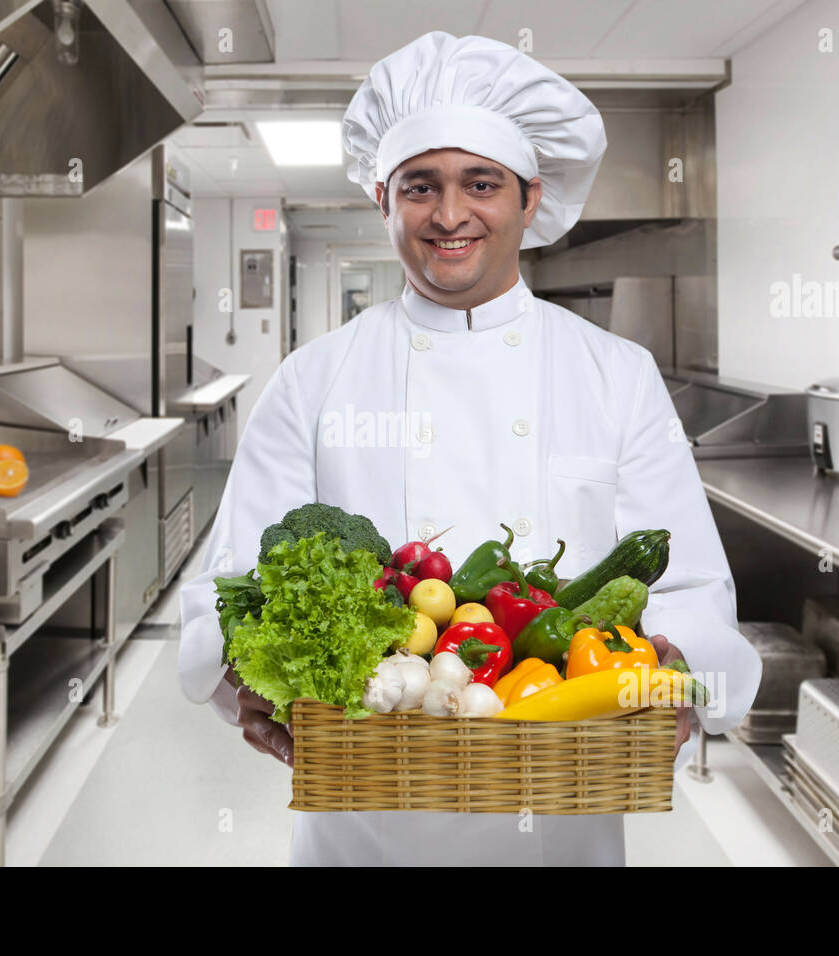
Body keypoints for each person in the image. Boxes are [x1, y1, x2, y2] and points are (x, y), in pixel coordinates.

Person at [179, 31, 761, 866]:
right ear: (383, 198)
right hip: (363, 828)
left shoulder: (616, 375)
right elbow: (227, 589)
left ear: (530, 198)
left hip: (564, 823)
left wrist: (679, 677)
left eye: (480, 183)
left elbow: (695, 586)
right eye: (421, 186)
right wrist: (245, 682)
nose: (449, 215)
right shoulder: (311, 382)